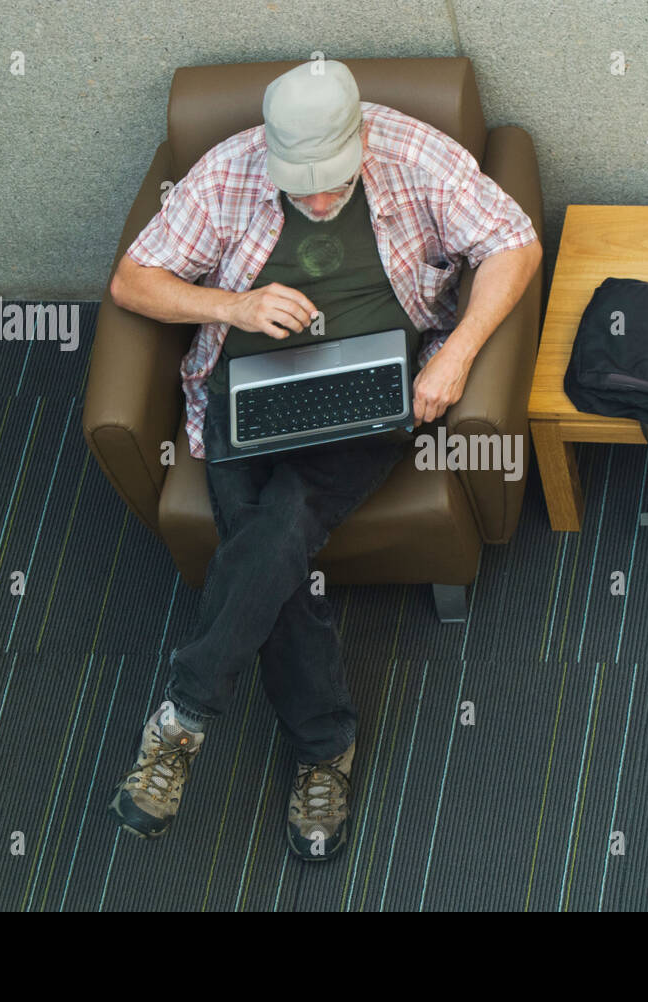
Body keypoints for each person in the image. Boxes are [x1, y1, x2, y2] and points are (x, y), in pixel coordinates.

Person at [104, 58, 541, 860]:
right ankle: (321, 751)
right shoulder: (227, 171)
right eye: (296, 185)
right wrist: (231, 305)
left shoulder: (411, 154)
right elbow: (134, 281)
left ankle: (185, 718)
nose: (313, 200)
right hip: (245, 388)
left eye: (329, 183)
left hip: (367, 396)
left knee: (274, 530)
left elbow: (513, 241)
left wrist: (454, 358)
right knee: (272, 542)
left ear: (359, 137)